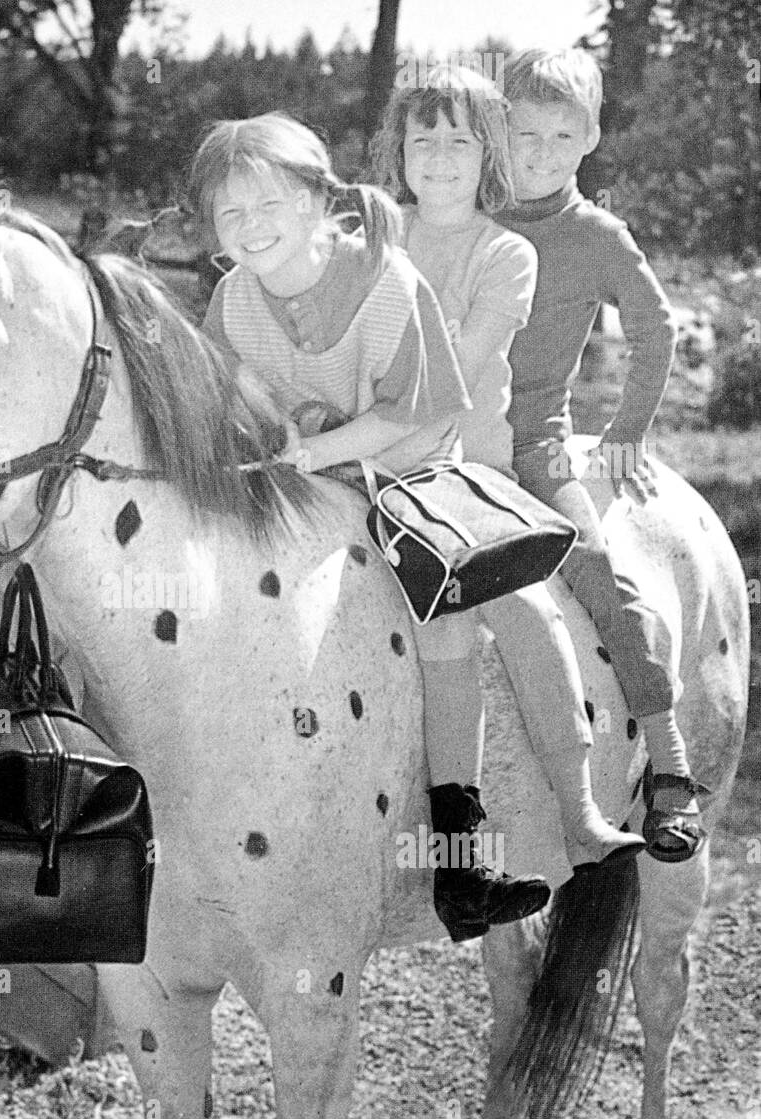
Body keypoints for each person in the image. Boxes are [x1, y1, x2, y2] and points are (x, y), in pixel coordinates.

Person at [188, 112, 551, 942]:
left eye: (269, 205)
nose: (250, 229)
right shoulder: (231, 298)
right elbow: (226, 401)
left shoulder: (386, 282)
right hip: (303, 477)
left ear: (319, 200)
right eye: (229, 216)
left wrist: (310, 452)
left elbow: (412, 411)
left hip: (408, 470)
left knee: (442, 615)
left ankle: (461, 855)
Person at [370, 64, 645, 877]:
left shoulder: (507, 251)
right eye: (425, 140)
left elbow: (449, 377)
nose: (442, 158)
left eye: (460, 141)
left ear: (486, 151)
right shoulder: (374, 233)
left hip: (463, 471)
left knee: (525, 610)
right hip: (361, 464)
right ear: (400, 150)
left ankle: (577, 804)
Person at [498, 49, 705, 863]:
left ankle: (670, 762)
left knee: (592, 568)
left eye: (560, 134)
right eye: (523, 133)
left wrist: (624, 433)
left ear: (587, 138)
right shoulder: (461, 215)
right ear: (496, 132)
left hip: (532, 446)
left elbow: (656, 331)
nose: (540, 151)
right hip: (437, 435)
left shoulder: (593, 235)